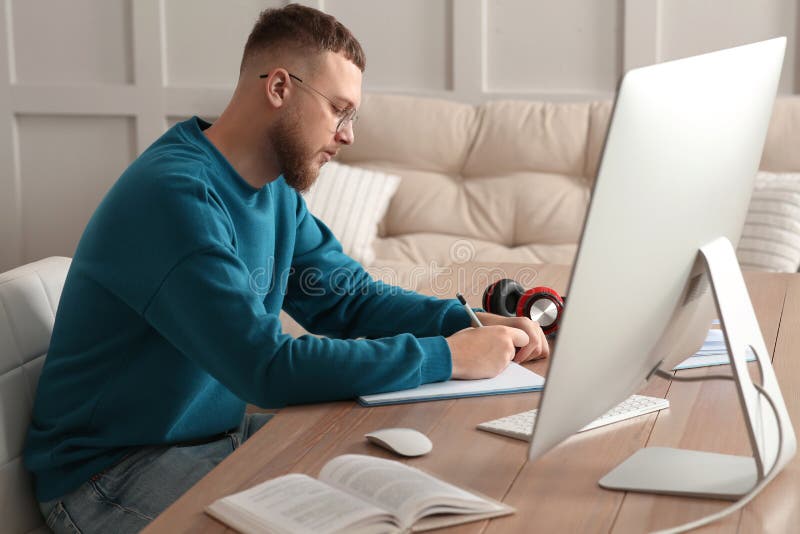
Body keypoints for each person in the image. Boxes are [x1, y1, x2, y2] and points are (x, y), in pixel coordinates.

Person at [24, 5, 549, 533]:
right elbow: (264, 368)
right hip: (111, 474)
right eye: (339, 110)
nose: (348, 135)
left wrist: (466, 324)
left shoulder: (274, 191)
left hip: (214, 441)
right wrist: (446, 356)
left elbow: (349, 301)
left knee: (417, 487)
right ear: (279, 87)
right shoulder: (175, 196)